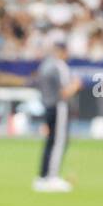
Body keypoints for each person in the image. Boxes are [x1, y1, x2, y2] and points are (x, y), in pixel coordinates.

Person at [33, 39, 80, 192]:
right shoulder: (59, 66)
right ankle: (52, 178)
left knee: (49, 142)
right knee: (58, 142)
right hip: (59, 106)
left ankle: (42, 177)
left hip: (47, 106)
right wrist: (76, 85)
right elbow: (64, 91)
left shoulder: (44, 65)